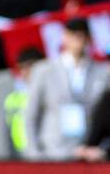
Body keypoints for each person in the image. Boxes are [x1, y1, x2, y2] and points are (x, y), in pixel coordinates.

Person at [23, 17, 110, 161]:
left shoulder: (102, 73)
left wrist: (102, 149)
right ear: (64, 36)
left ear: (89, 39)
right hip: (53, 152)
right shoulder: (44, 70)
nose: (78, 39)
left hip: (89, 152)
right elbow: (30, 115)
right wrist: (34, 155)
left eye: (82, 35)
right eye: (73, 34)